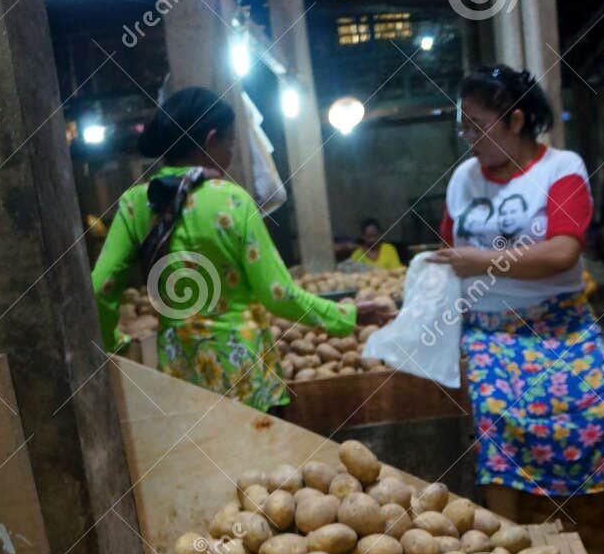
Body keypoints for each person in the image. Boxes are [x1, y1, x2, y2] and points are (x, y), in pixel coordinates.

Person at [432, 65, 604, 554]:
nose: (468, 138)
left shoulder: (561, 169)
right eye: (463, 127)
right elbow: (449, 255)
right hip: (489, 332)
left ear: (516, 120)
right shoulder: (462, 179)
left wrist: (481, 260)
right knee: (500, 430)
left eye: (476, 126)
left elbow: (562, 251)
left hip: (561, 327)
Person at [91, 88, 389, 410]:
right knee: (259, 459)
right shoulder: (232, 201)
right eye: (230, 143)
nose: (231, 154)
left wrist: (114, 344)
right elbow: (278, 294)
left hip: (180, 376)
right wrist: (347, 315)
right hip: (244, 376)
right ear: (211, 139)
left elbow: (100, 287)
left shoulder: (137, 204)